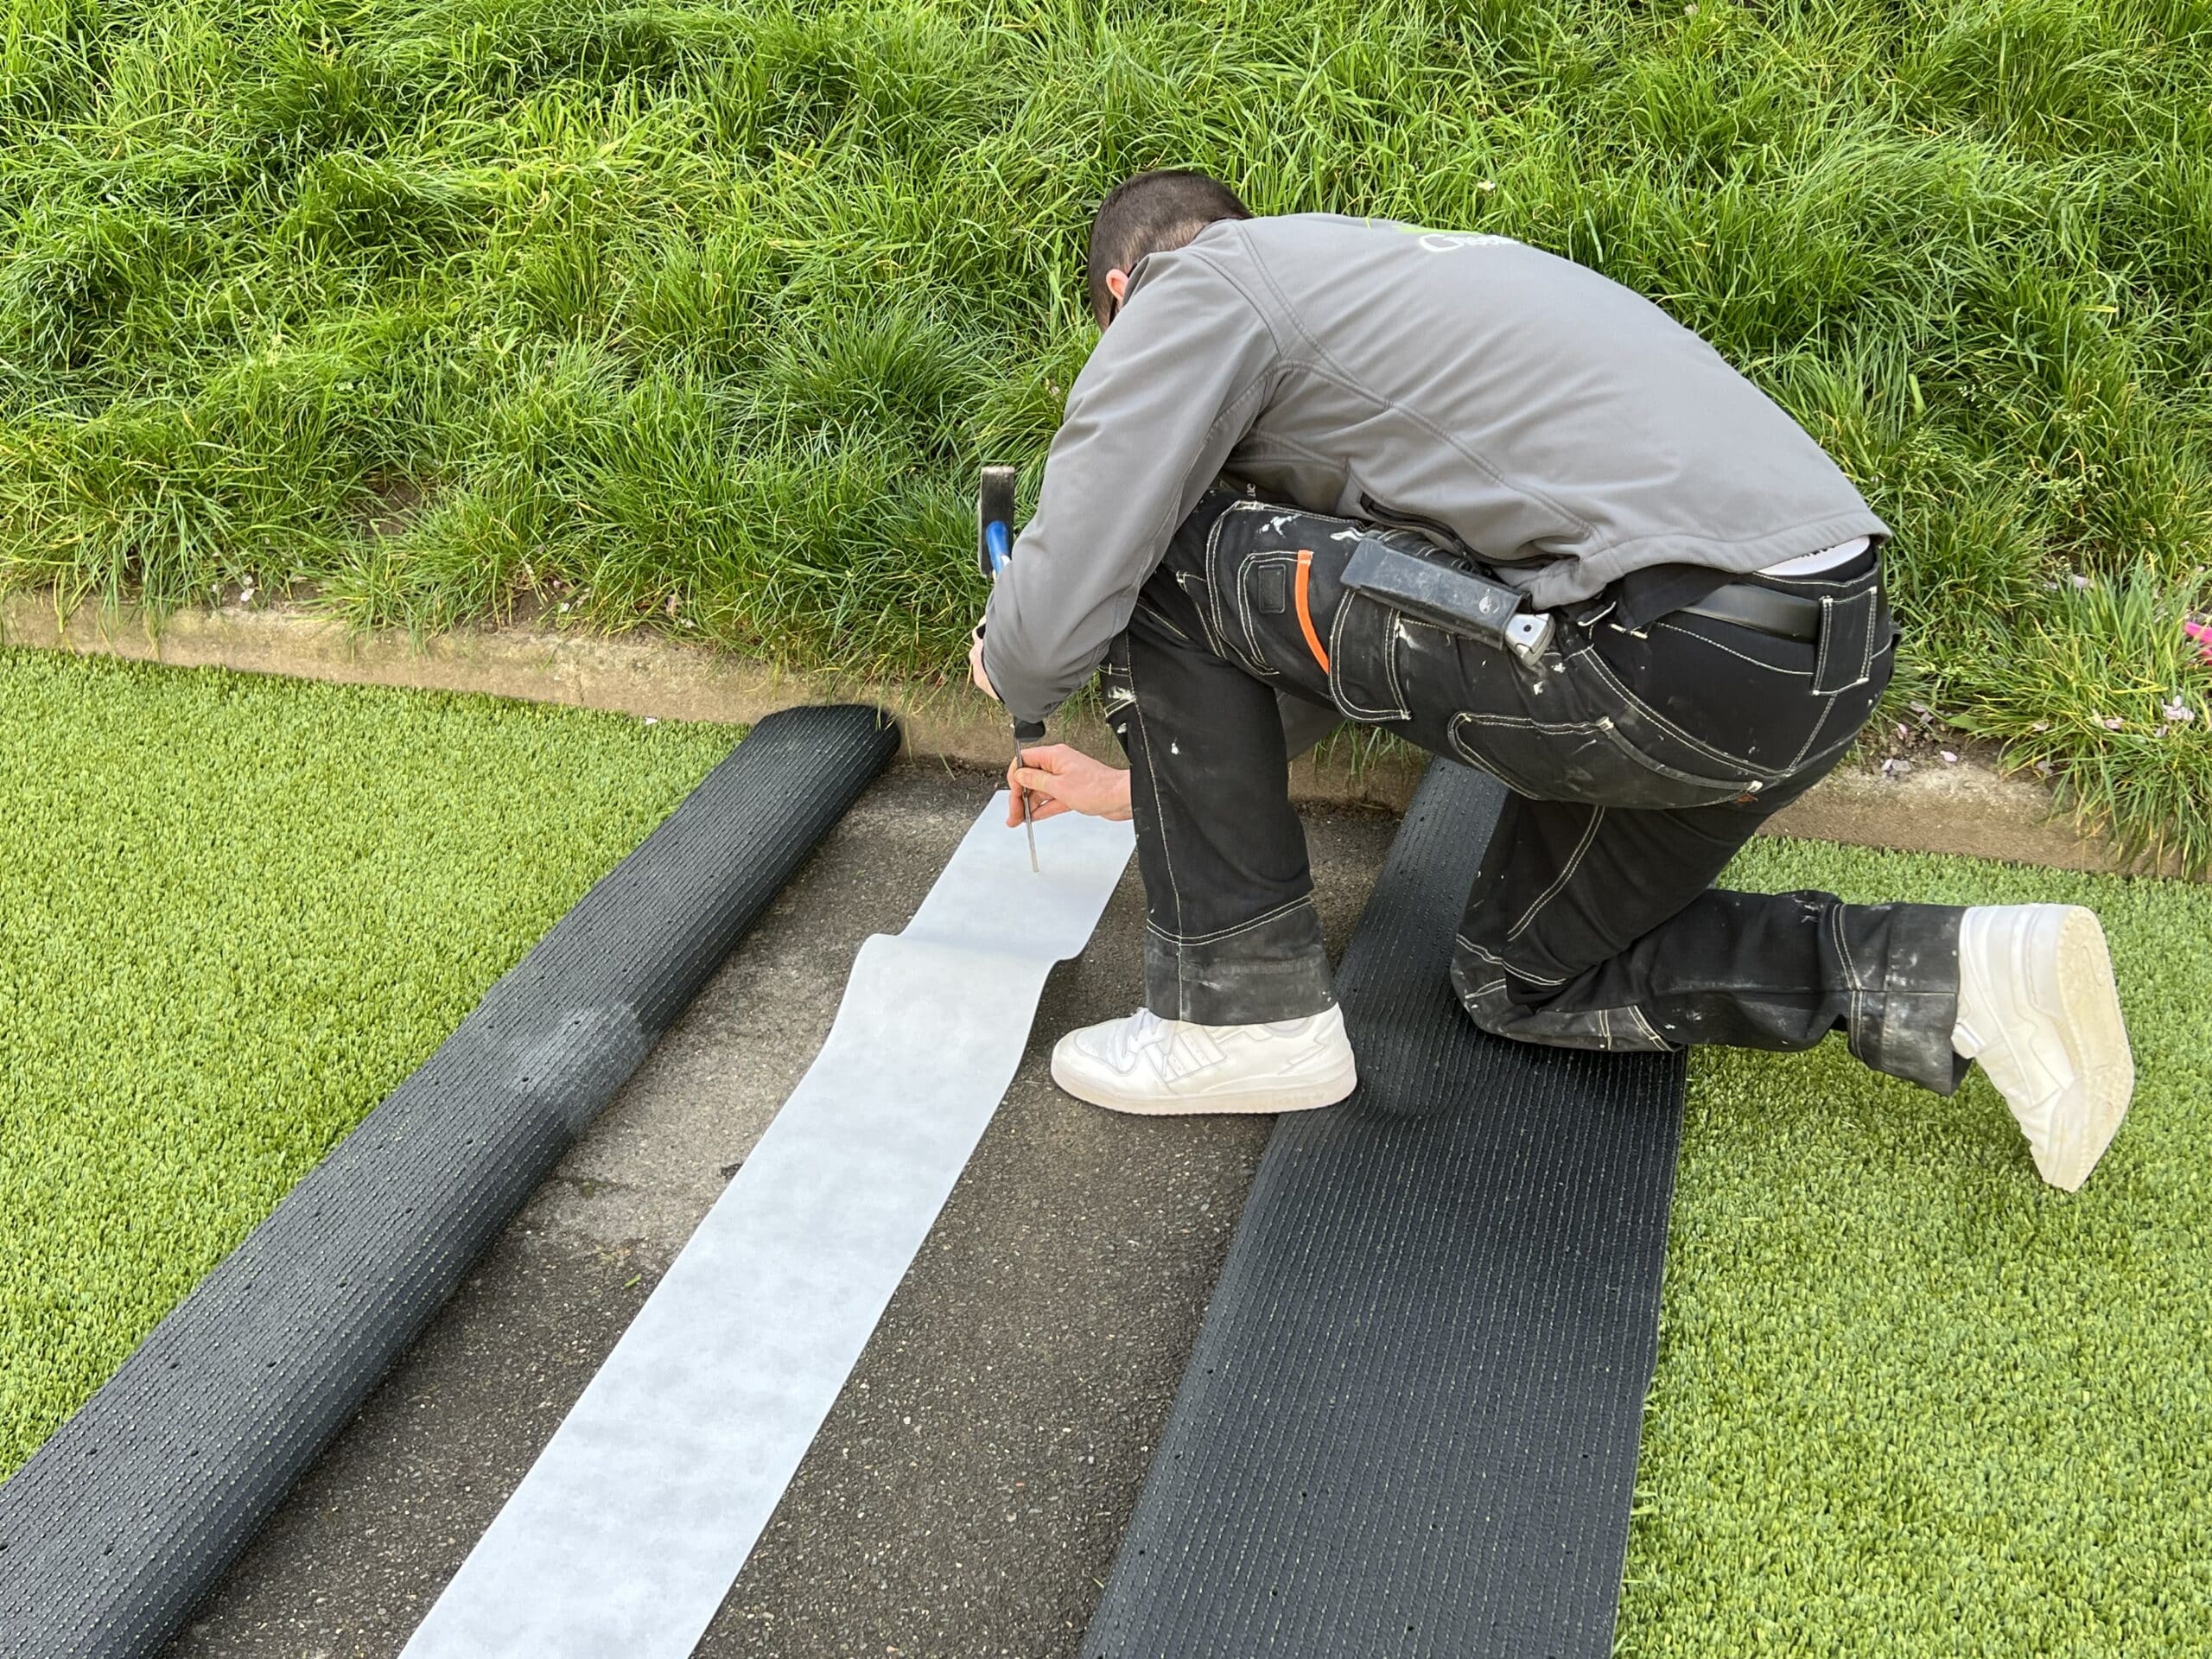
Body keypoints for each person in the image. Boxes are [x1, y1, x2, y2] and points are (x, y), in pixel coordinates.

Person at [969, 170, 2133, 1192]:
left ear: (1121, 298)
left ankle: (1239, 1016)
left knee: (1170, 544)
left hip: (1664, 651)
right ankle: (1960, 970)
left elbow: (1067, 604)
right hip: (1812, 663)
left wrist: (1006, 652)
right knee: (1525, 978)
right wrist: (1144, 788)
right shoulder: (1378, 292)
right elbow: (1352, 633)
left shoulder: (1197, 289)